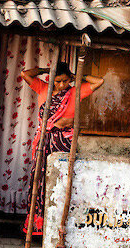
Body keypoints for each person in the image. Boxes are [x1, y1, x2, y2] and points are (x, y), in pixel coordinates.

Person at [19, 62, 104, 234]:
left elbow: (99, 81)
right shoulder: (44, 89)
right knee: (40, 180)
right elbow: (25, 74)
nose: (61, 85)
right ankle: (38, 224)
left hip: (64, 142)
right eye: (57, 81)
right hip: (44, 141)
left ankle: (59, 224)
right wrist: (45, 71)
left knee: (62, 180)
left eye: (65, 81)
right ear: (51, 80)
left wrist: (77, 76)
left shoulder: (75, 92)